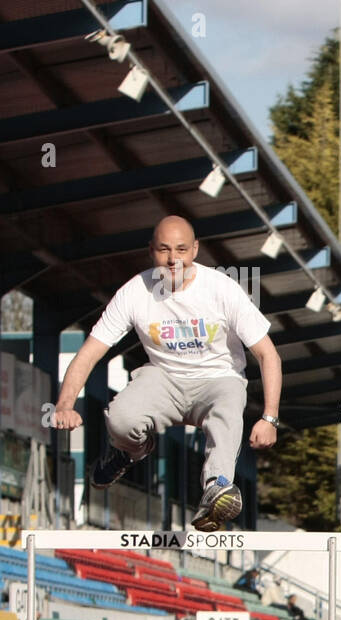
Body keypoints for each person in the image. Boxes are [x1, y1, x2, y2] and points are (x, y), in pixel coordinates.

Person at [51, 215, 282, 531]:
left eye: (181, 250)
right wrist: (64, 405)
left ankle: (217, 486)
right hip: (165, 378)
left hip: (217, 378)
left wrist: (269, 418)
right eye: (164, 250)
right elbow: (90, 352)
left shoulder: (222, 289)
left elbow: (268, 354)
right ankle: (128, 451)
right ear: (151, 251)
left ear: (195, 250)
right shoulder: (135, 292)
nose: (174, 260)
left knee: (228, 405)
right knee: (121, 417)